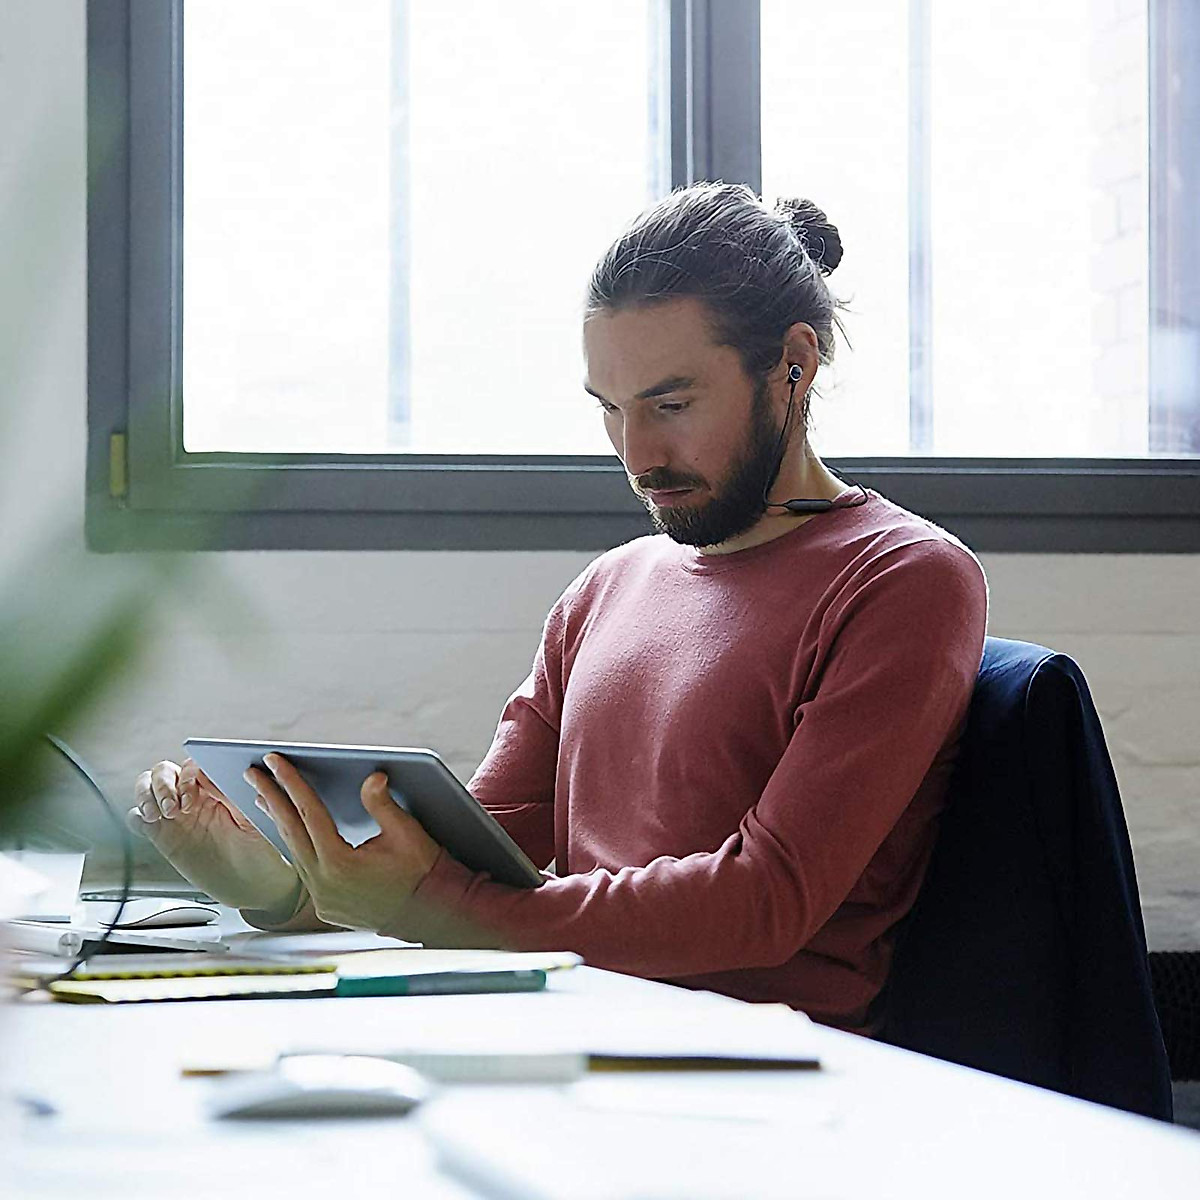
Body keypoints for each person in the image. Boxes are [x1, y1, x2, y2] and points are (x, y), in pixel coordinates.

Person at [132, 183, 987, 1034]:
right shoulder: (605, 589)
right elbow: (464, 876)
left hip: (761, 1078)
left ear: (793, 363)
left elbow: (766, 900)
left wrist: (435, 905)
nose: (638, 454)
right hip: (570, 1034)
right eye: (610, 410)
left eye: (672, 404)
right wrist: (279, 886)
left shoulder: (904, 578)